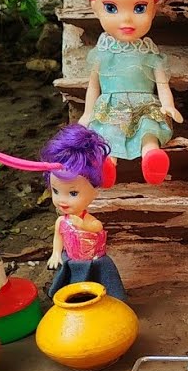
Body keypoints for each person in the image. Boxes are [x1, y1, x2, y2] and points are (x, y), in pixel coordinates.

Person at [79, 0, 182, 185]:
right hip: (111, 107)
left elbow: (162, 83)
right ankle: (106, 164)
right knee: (108, 132)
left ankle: (151, 156)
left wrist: (168, 105)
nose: (126, 19)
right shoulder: (103, 52)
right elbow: (94, 86)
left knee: (148, 128)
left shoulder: (149, 52)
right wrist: (87, 113)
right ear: (95, 8)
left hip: (144, 105)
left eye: (139, 8)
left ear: (153, 9)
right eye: (111, 8)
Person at [43, 125, 127, 301]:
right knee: (71, 289)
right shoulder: (62, 222)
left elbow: (97, 227)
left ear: (94, 192)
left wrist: (83, 225)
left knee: (102, 290)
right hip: (72, 260)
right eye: (56, 191)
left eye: (73, 193)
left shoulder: (86, 219)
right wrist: (56, 253)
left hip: (93, 262)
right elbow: (58, 238)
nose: (62, 200)